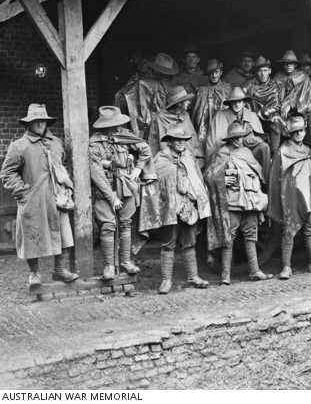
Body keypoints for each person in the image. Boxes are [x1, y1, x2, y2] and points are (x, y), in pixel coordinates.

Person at [0, 105, 79, 286]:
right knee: (31, 235)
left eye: (43, 120)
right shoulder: (19, 146)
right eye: (36, 120)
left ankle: (60, 270)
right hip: (32, 199)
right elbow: (7, 173)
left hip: (56, 199)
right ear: (29, 123)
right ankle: (34, 273)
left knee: (63, 233)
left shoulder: (57, 143)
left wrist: (65, 187)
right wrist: (22, 191)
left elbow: (64, 165)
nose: (40, 123)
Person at [139, 125, 211, 294]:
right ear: (169, 142)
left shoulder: (189, 157)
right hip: (170, 209)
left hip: (188, 207)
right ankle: (166, 281)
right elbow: (154, 184)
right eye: (177, 140)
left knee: (189, 243)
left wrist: (196, 198)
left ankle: (193, 276)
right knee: (168, 244)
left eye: (183, 140)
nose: (181, 143)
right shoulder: (160, 159)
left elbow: (197, 180)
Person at [89, 106, 156, 279]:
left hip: (127, 187)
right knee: (109, 226)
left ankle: (126, 261)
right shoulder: (95, 143)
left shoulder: (125, 136)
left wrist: (138, 169)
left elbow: (145, 149)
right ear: (105, 126)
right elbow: (96, 173)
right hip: (106, 190)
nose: (119, 127)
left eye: (120, 124)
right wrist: (111, 198)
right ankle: (109, 266)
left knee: (126, 223)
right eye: (115, 124)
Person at [204, 122, 272, 285]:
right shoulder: (220, 155)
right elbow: (208, 176)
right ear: (229, 139)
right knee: (229, 237)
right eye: (235, 137)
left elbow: (258, 172)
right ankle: (225, 275)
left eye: (241, 137)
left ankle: (254, 271)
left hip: (249, 201)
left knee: (250, 234)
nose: (239, 140)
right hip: (231, 201)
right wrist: (221, 179)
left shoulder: (247, 153)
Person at [267, 117, 311, 279]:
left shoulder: (308, 151)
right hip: (290, 197)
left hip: (308, 196)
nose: (299, 134)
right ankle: (286, 267)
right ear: (290, 133)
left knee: (310, 228)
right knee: (289, 230)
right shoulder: (283, 152)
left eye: (301, 130)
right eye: (295, 131)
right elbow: (276, 178)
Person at [205, 87, 271, 179]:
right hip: (229, 151)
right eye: (234, 101)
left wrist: (247, 139)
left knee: (264, 147)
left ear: (244, 103)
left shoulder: (251, 115)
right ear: (230, 103)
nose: (237, 104)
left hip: (247, 150)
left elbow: (258, 138)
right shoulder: (220, 116)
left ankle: (265, 181)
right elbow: (214, 143)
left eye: (239, 101)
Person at [114, 52, 177, 138]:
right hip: (146, 119)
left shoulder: (167, 82)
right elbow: (122, 95)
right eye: (140, 63)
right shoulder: (138, 83)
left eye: (144, 62)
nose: (142, 65)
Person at [147, 86, 204, 168]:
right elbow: (155, 144)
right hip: (167, 161)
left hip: (188, 158)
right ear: (179, 103)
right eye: (186, 100)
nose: (189, 102)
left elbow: (192, 140)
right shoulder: (160, 118)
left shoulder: (185, 115)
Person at [274, 50, 311, 143]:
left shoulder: (303, 76)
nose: (288, 65)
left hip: (299, 107)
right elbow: (273, 96)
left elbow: (306, 96)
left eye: (291, 63)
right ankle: (275, 151)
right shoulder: (277, 77)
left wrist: (290, 106)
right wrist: (282, 106)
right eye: (286, 63)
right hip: (281, 108)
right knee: (273, 114)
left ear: (295, 64)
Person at [242, 57, 283, 153]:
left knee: (276, 120)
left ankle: (275, 152)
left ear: (269, 71)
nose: (263, 74)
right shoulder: (250, 83)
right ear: (256, 72)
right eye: (260, 71)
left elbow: (276, 105)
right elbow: (241, 95)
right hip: (252, 115)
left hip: (268, 114)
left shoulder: (274, 84)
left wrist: (265, 111)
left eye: (265, 70)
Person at [192, 59, 231, 153]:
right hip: (204, 127)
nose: (214, 76)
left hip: (223, 126)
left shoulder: (227, 88)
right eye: (211, 73)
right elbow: (196, 114)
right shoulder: (202, 90)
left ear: (221, 72)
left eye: (216, 72)